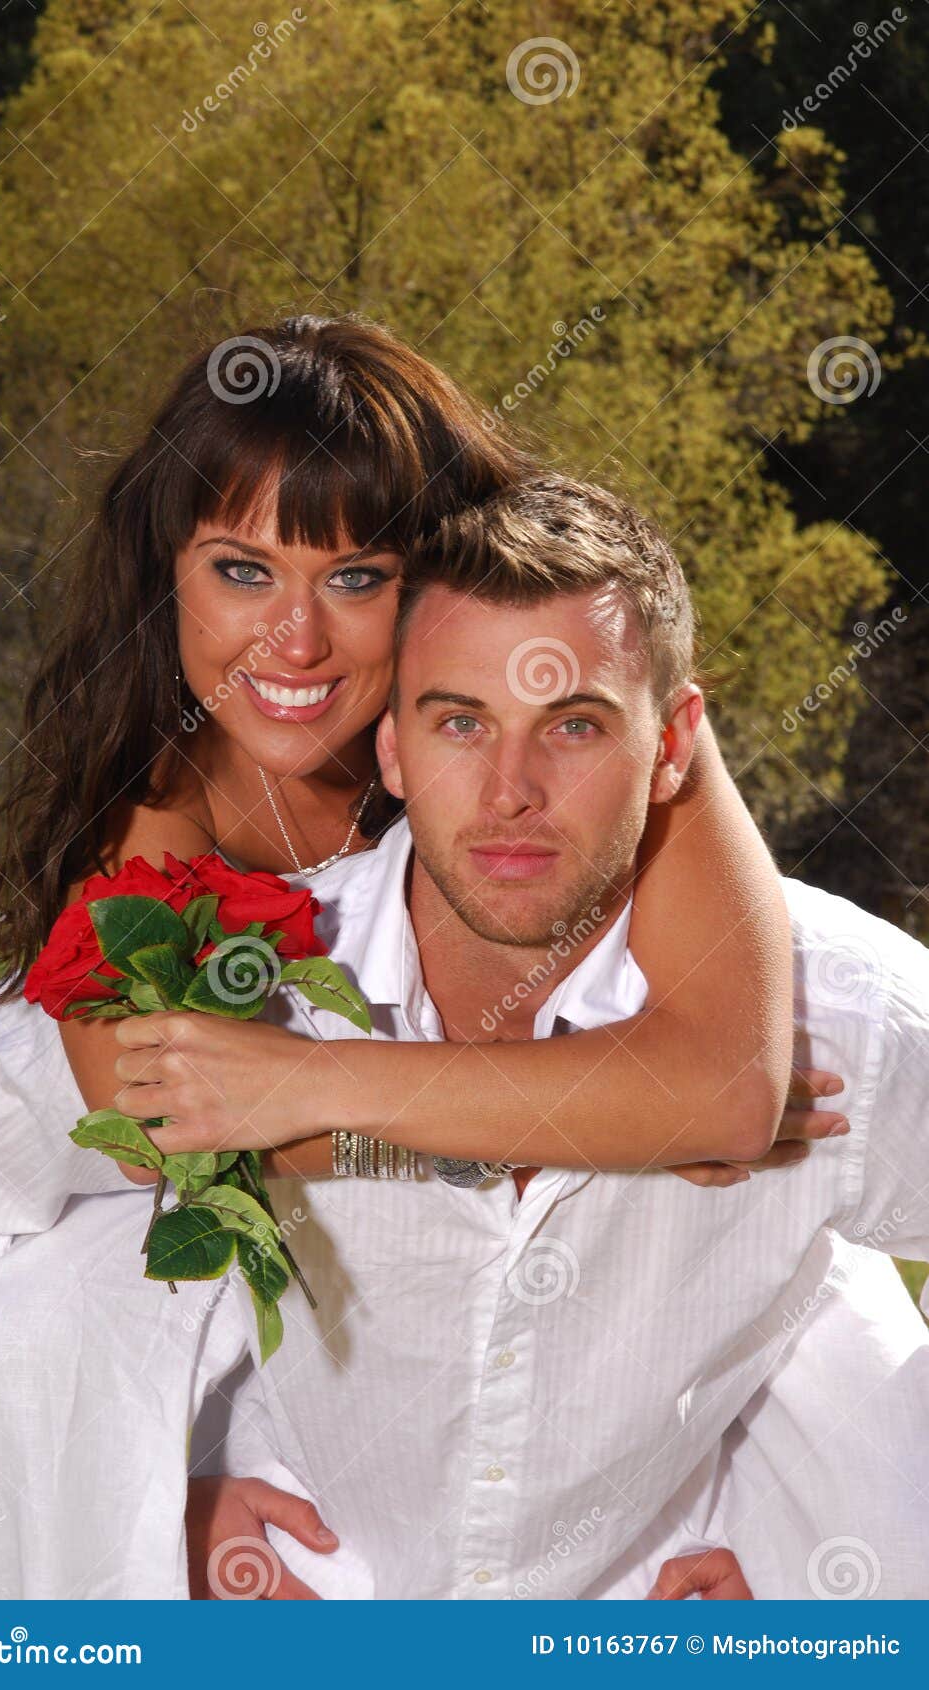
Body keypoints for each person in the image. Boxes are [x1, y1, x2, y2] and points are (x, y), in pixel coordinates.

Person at [0, 318, 884, 1598]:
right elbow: (173, 1120)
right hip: (292, 1333)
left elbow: (723, 1091)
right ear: (164, 574)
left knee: (830, 1317)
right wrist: (607, 1115)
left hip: (590, 1355)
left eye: (356, 579)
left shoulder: (577, 728)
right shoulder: (160, 823)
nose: (293, 644)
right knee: (59, 1309)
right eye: (242, 572)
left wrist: (667, 1102)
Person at [105, 473, 929, 1600]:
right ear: (390, 748)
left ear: (675, 741)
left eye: (575, 725)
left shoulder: (831, 1009)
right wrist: (154, 1500)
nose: (510, 792)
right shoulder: (241, 975)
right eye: (459, 721)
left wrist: (815, 1550)